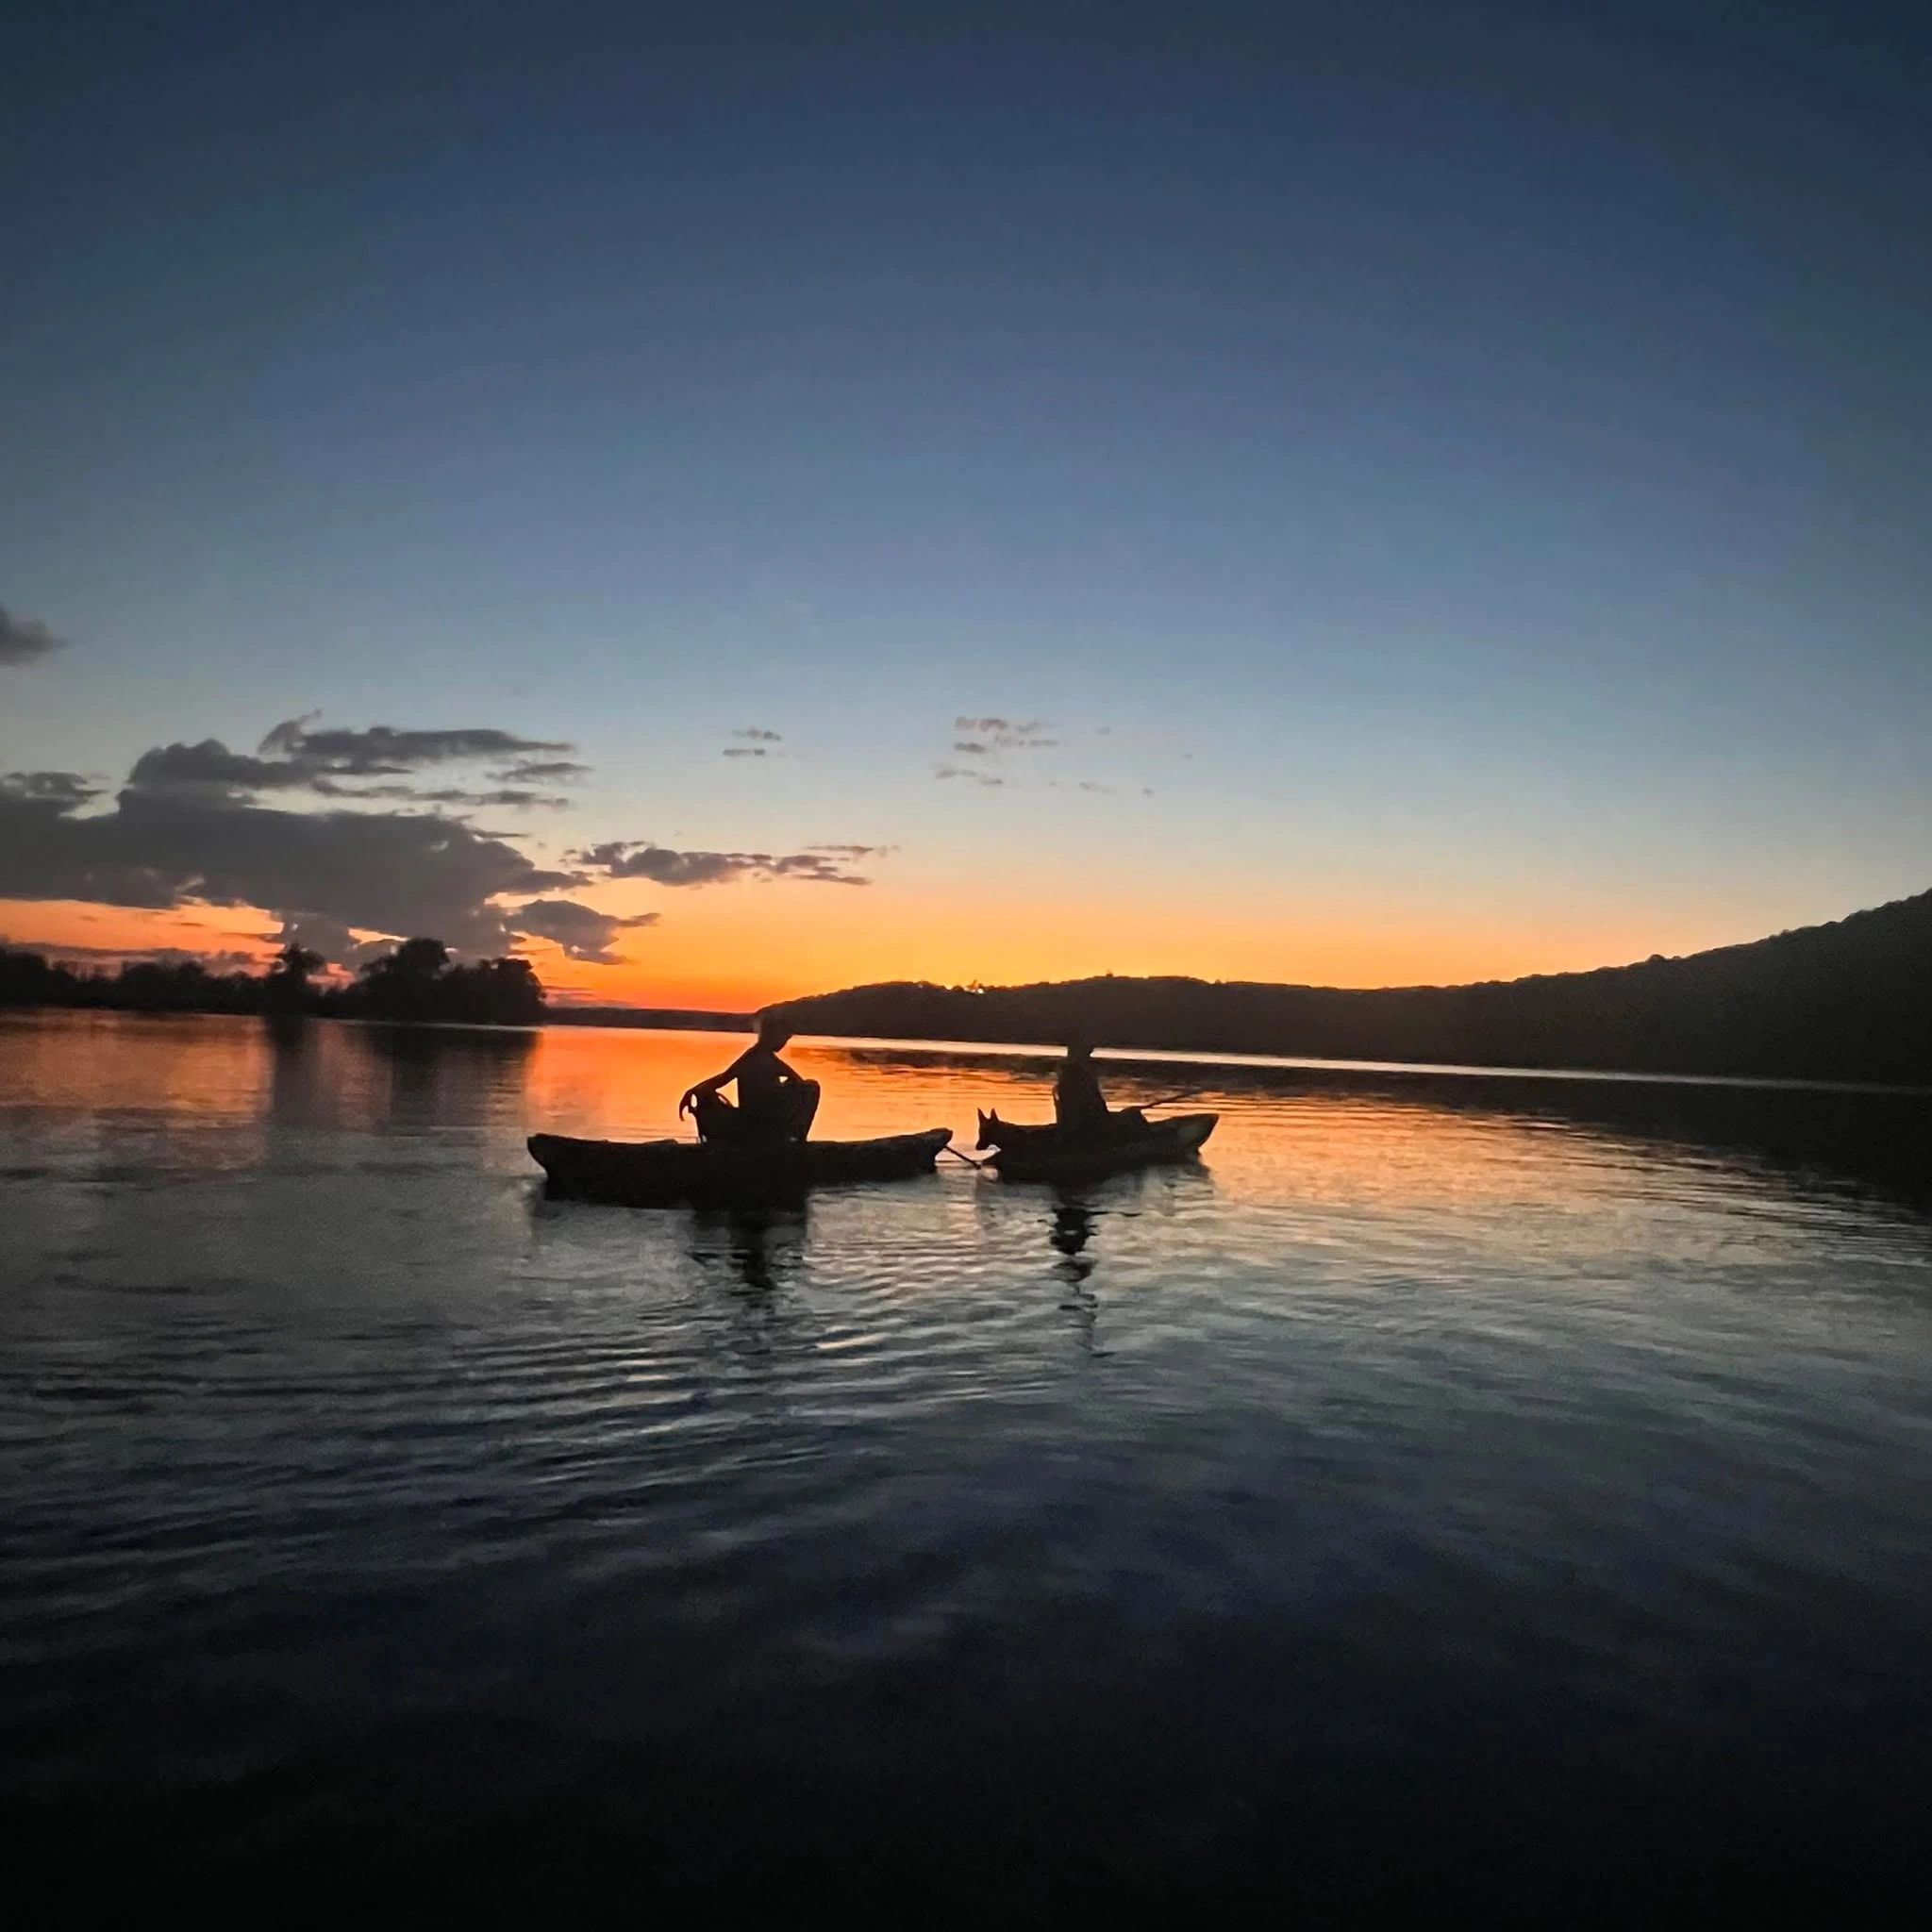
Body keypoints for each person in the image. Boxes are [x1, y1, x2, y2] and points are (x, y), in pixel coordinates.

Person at [680, 1015, 821, 1146]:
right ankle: (797, 1138)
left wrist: (694, 1089)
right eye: (784, 1037)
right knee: (812, 1087)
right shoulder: (760, 1058)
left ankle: (793, 1137)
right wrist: (694, 1091)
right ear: (772, 1034)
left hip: (760, 1119)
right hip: (756, 1120)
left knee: (805, 1086)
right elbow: (722, 1079)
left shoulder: (762, 1057)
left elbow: (722, 1079)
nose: (784, 1043)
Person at [1053, 1037, 1144, 1139]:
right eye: (1088, 1053)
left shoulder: (1069, 1079)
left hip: (1081, 1130)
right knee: (1134, 1118)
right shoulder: (1079, 1082)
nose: (1091, 1058)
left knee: (1131, 1116)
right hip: (1088, 1134)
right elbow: (1095, 1116)